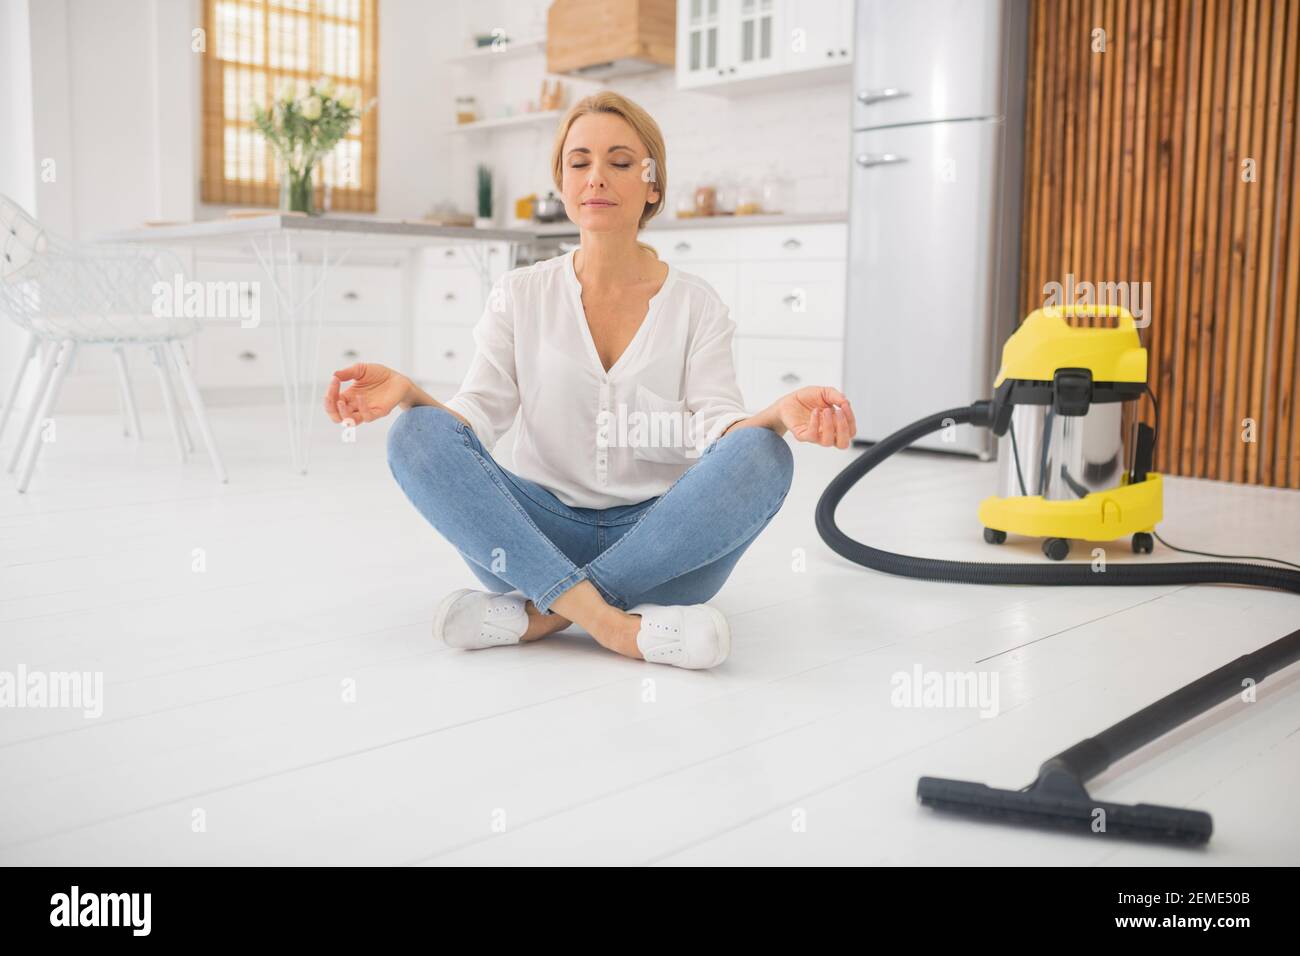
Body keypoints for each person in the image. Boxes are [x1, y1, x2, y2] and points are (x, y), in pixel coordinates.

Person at [323, 92, 856, 670]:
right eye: (579, 163)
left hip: (665, 545)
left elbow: (719, 425)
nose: (596, 177)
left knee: (763, 454)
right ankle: (618, 627)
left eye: (621, 162)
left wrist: (777, 416)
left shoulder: (697, 304)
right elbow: (476, 415)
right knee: (414, 434)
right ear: (562, 183)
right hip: (533, 535)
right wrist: (411, 395)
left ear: (653, 184)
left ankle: (540, 615)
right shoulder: (520, 294)